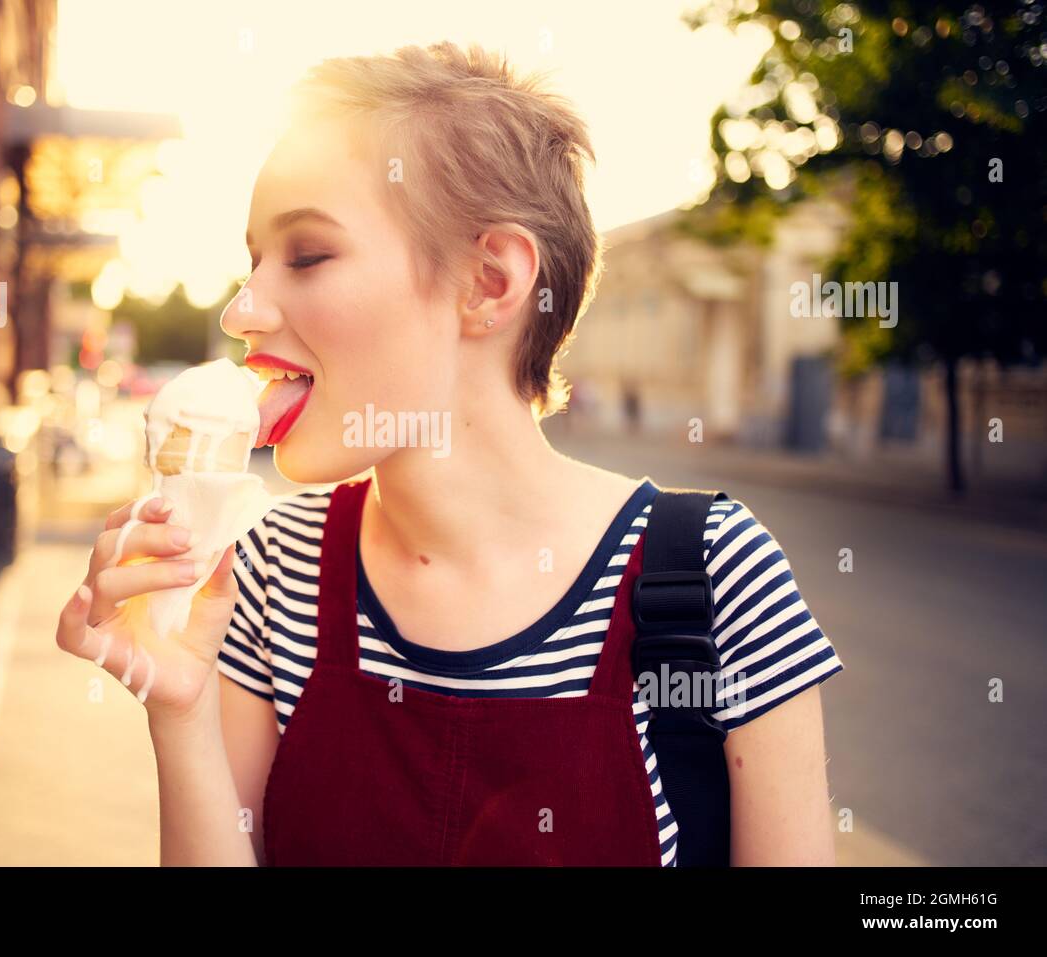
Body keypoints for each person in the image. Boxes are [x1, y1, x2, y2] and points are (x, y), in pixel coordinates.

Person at [55, 41, 844, 866]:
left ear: (491, 283)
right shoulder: (261, 574)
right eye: (253, 261)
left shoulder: (715, 581)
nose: (242, 310)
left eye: (308, 255)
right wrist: (179, 714)